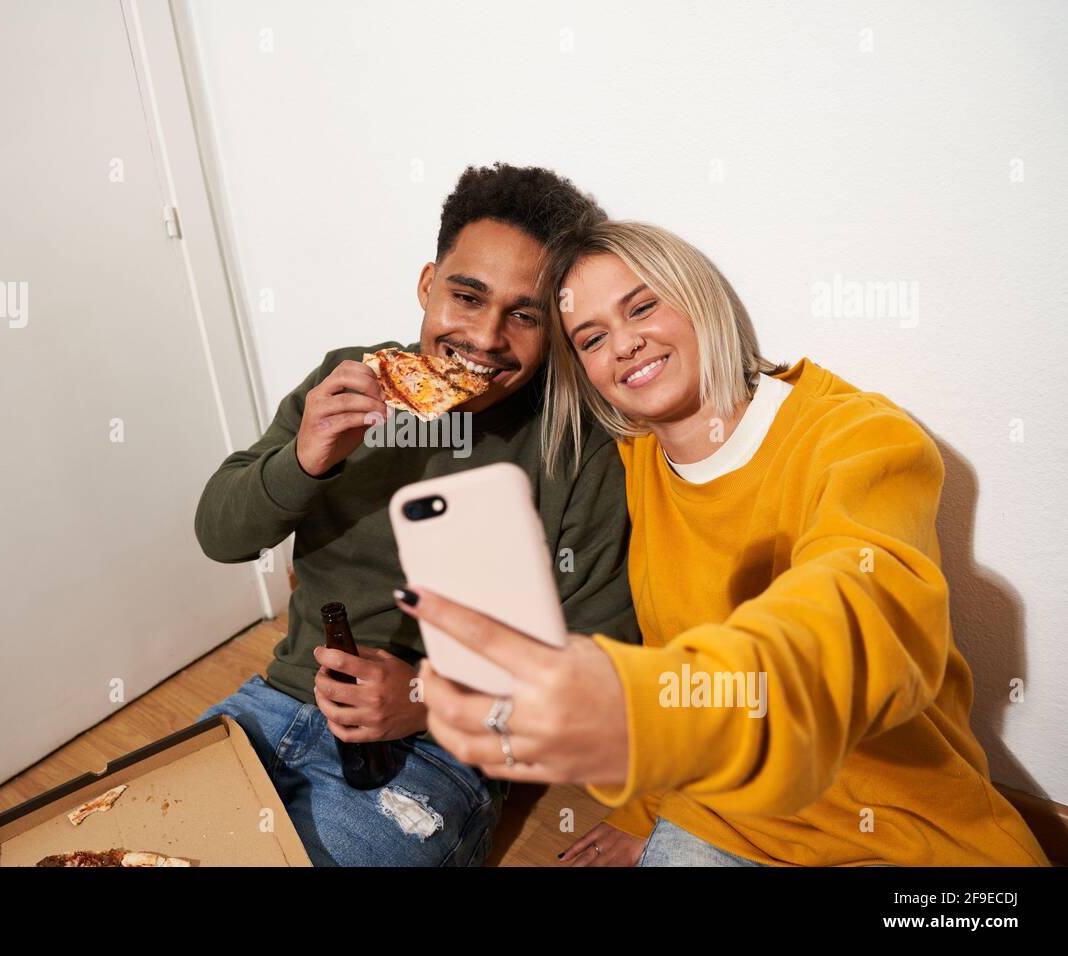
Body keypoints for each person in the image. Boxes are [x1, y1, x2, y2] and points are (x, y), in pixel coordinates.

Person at [396, 219, 1050, 866]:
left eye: (643, 306)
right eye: (592, 338)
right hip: (724, 815)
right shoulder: (633, 460)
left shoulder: (860, 438)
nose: (625, 345)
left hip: (899, 833)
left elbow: (861, 616)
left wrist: (647, 710)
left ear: (698, 295)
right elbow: (488, 369)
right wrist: (648, 808)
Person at [193, 165, 640, 866]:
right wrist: (304, 460)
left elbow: (603, 673)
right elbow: (219, 536)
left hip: (439, 755)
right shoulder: (346, 381)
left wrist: (427, 698)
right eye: (467, 296)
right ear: (428, 284)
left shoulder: (577, 449)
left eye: (525, 315)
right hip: (274, 702)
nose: (487, 338)